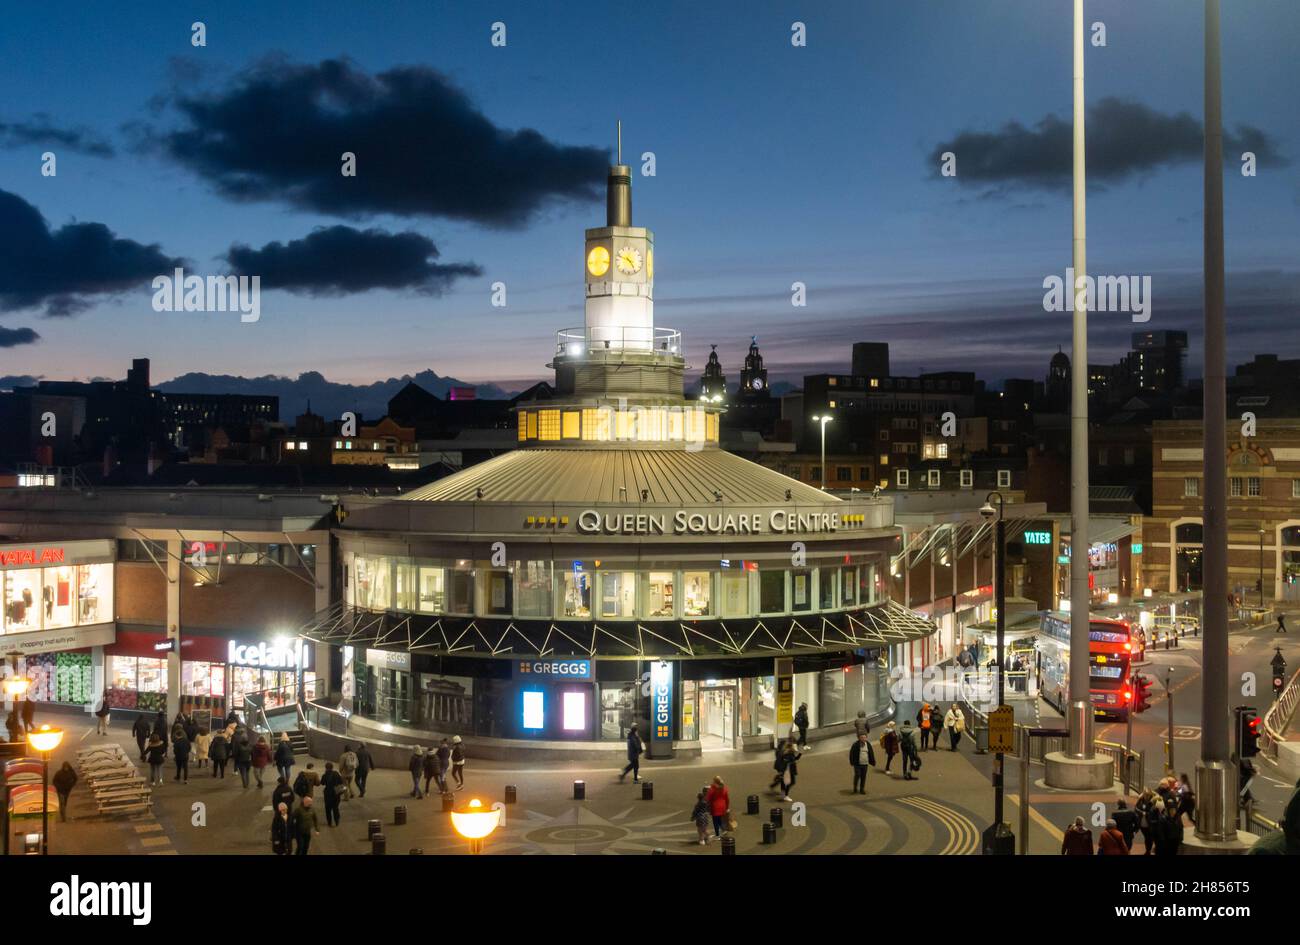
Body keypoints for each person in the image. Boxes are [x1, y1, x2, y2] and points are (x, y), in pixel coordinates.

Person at [1134, 787, 1159, 854]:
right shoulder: (1140, 800)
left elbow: (1155, 812)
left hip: (1151, 824)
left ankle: (1148, 850)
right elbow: (1136, 808)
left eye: (1148, 795)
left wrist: (1147, 813)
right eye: (1145, 794)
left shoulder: (1154, 801)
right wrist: (1141, 813)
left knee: (1149, 838)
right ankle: (1148, 850)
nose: (1146, 796)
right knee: (1147, 837)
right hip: (1142, 824)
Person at [320, 761, 344, 827]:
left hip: (328, 794)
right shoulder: (336, 774)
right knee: (335, 808)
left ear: (326, 768)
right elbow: (341, 782)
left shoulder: (325, 775)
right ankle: (337, 821)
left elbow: (322, 783)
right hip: (336, 794)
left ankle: (329, 822)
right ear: (332, 767)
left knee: (328, 809)